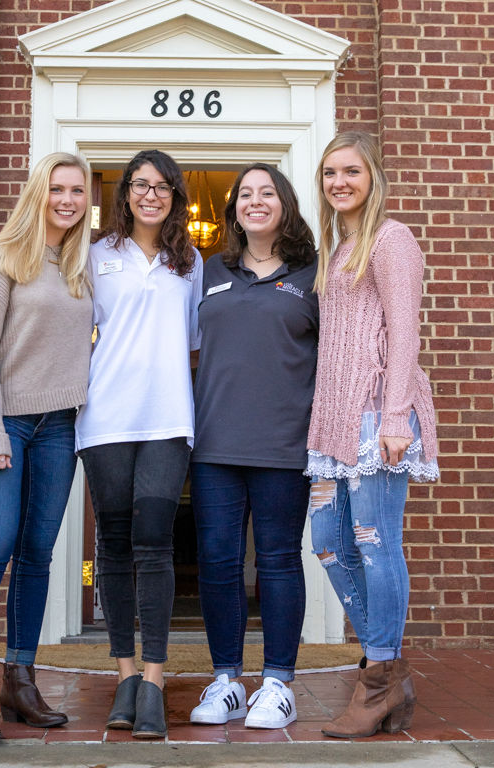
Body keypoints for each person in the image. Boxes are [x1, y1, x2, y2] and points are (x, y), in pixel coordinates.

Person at [0, 152, 93, 745]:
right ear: (39, 193)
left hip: (59, 424)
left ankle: (19, 681)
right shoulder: (2, 258)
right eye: (56, 188)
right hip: (1, 419)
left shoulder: (82, 268)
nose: (66, 199)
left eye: (77, 191)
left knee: (37, 553)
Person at [306, 130, 438, 738]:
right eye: (331, 173)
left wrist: (393, 421)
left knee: (376, 541)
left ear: (373, 176)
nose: (340, 183)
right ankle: (387, 667)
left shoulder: (391, 239)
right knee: (329, 542)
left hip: (375, 417)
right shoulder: (342, 246)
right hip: (333, 422)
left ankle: (379, 676)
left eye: (351, 172)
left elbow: (406, 334)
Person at [76, 149, 203, 739]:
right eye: (140, 185)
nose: (150, 194)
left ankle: (154, 676)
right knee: (115, 544)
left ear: (176, 197)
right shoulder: (96, 256)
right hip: (106, 421)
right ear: (124, 193)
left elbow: (196, 345)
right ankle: (124, 671)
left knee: (155, 544)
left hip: (168, 421)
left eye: (162, 187)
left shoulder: (191, 263)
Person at [189, 164, 319, 730]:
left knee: (278, 562)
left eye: (268, 193)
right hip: (215, 442)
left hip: (284, 445)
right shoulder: (210, 270)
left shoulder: (313, 276)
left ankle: (278, 682)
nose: (256, 202)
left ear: (285, 205)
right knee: (217, 564)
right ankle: (226, 681)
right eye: (246, 194)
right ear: (233, 209)